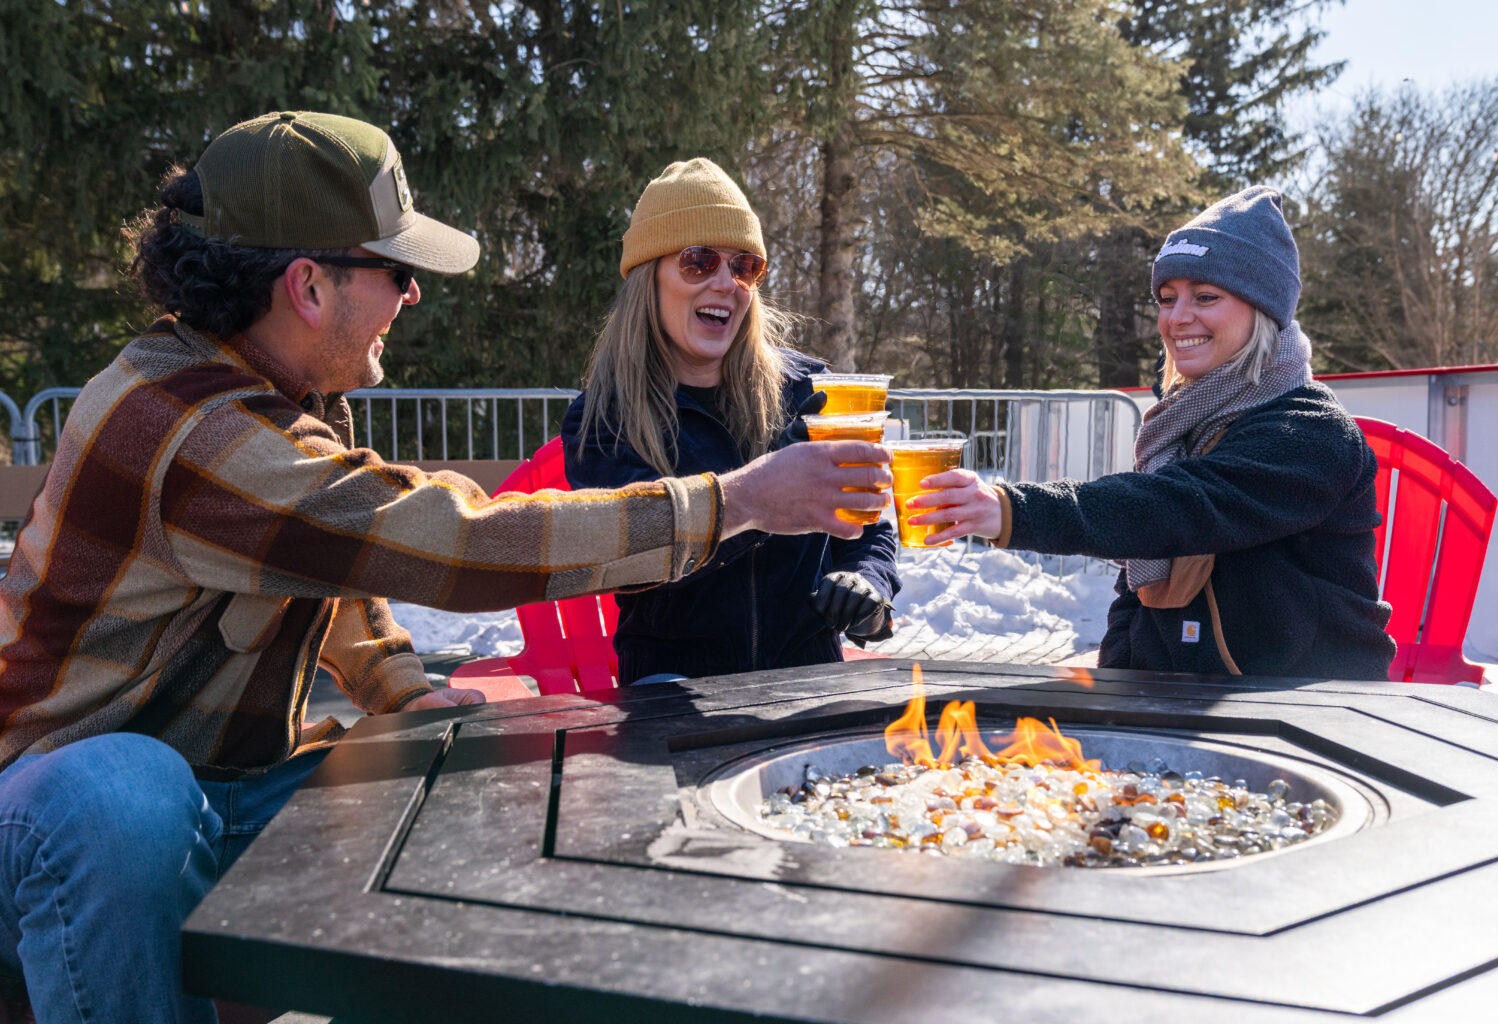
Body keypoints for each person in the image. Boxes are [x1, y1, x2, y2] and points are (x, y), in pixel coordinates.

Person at [0, 112, 891, 1024]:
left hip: (220, 792)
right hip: (46, 824)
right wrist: (735, 501)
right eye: (398, 271)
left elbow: (326, 563)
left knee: (472, 764)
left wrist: (398, 690)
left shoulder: (276, 400)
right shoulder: (192, 429)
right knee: (118, 792)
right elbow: (450, 541)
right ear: (309, 284)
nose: (413, 297)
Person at [906, 186, 1395, 680]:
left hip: (1313, 705)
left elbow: (1173, 509)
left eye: (1206, 296)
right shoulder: (1185, 423)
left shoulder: (1311, 432)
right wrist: (1115, 693)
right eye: (1167, 298)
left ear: (1263, 309)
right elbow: (1138, 591)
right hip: (1195, 701)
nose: (1177, 317)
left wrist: (1009, 510)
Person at [561, 158, 900, 684]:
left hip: (804, 674)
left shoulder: (807, 391)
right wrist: (764, 486)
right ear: (650, 278)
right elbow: (630, 563)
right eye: (699, 261)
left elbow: (867, 518)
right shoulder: (604, 416)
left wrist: (866, 585)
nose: (727, 282)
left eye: (744, 266)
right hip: (673, 688)